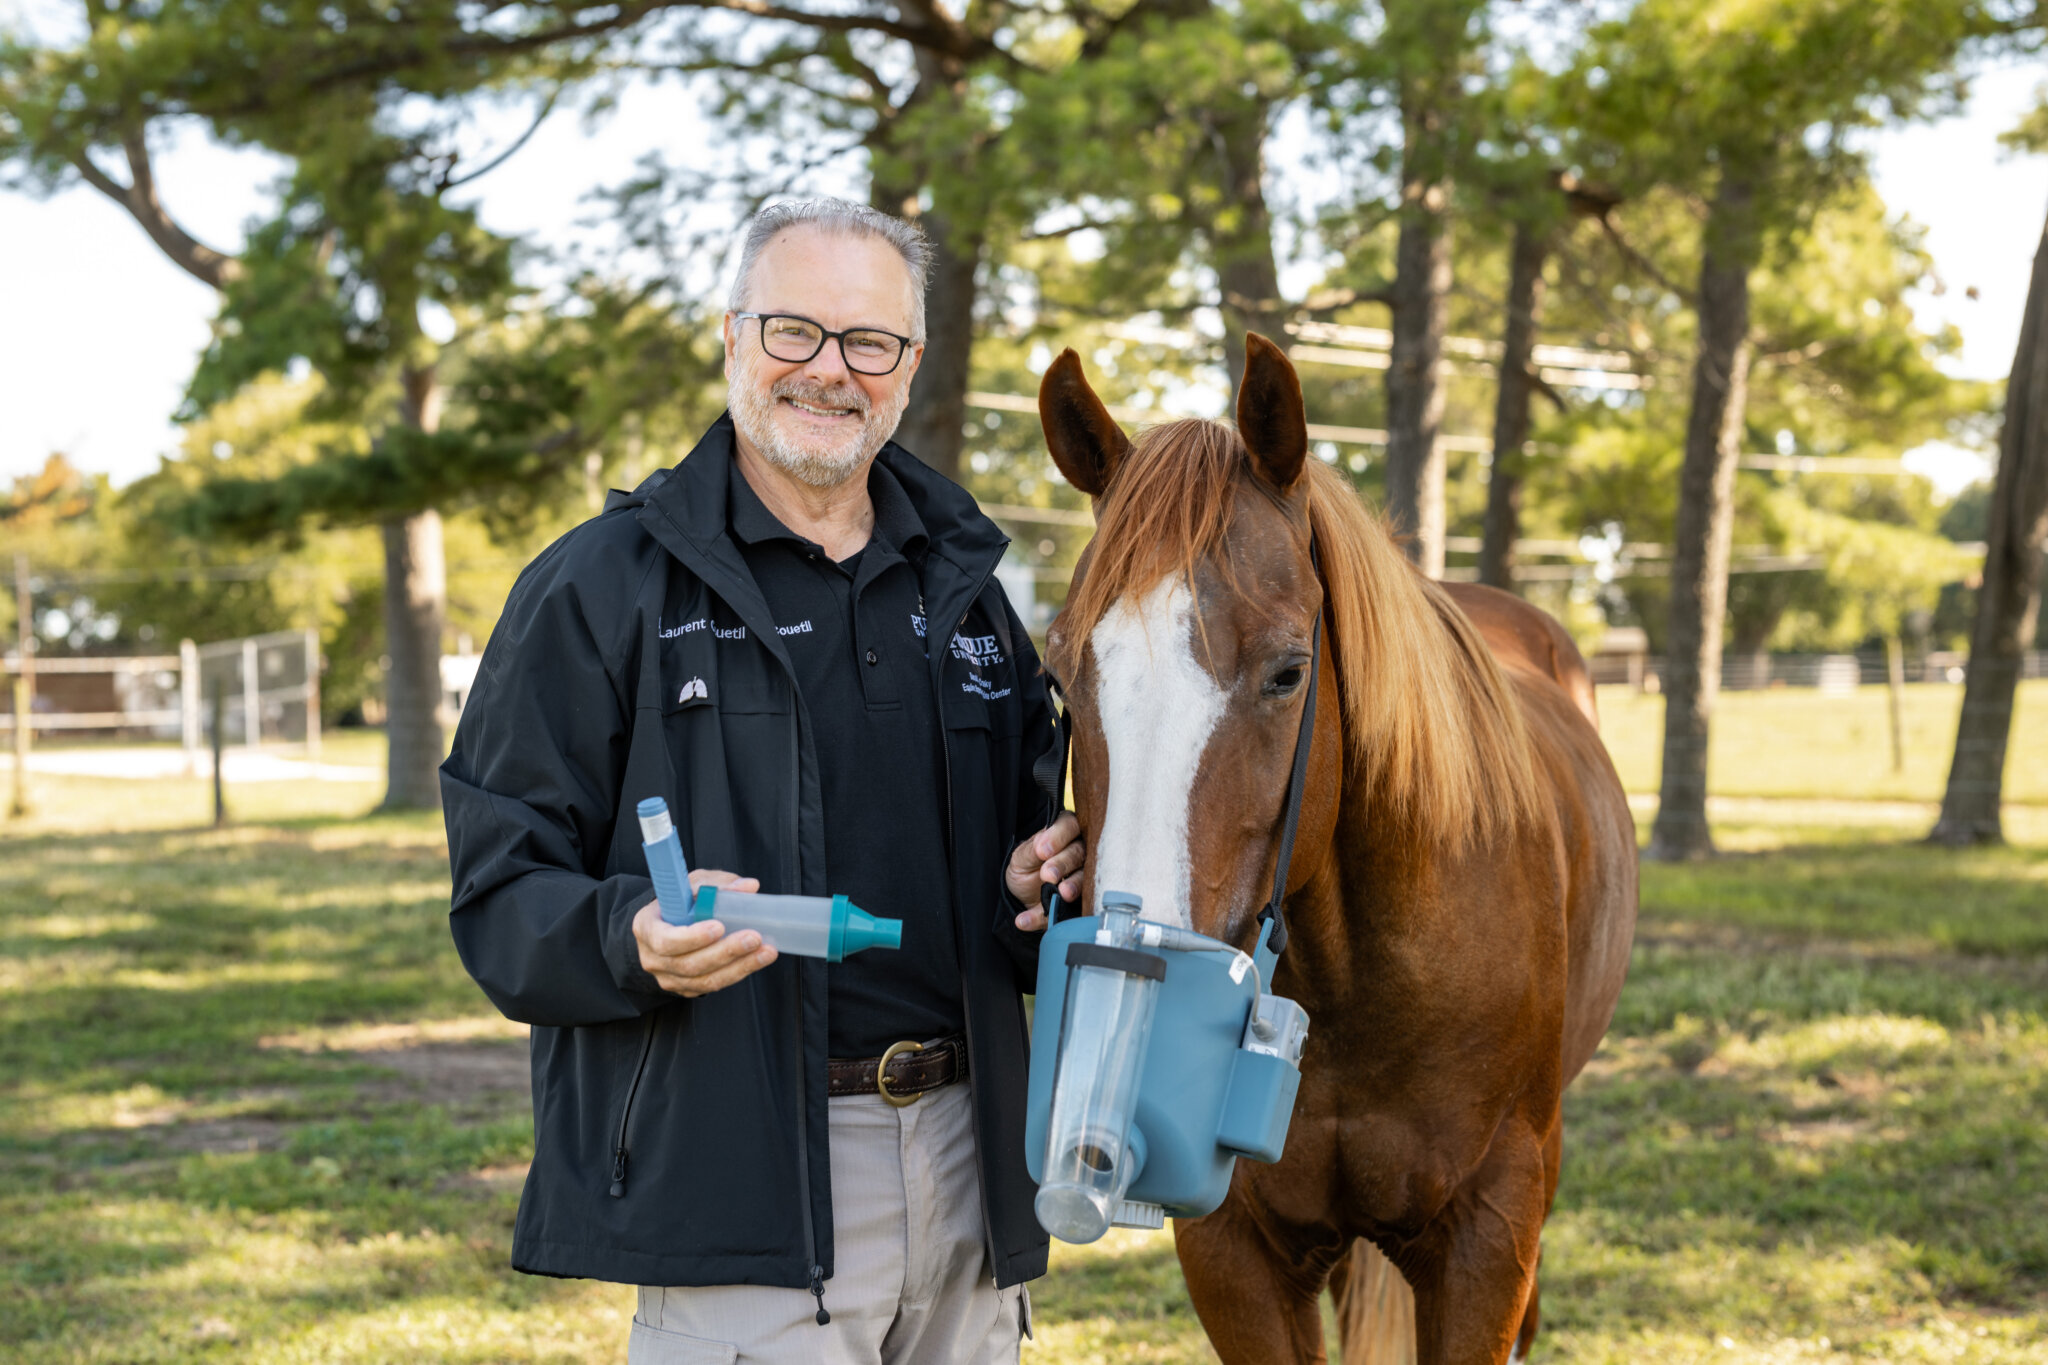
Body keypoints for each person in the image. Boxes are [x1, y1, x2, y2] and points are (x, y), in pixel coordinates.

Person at [441, 199, 1085, 1365]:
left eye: (866, 343)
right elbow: (499, 893)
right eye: (794, 331)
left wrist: (1055, 876)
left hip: (970, 1159)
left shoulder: (969, 591)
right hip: (739, 1180)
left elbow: (1030, 873)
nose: (828, 371)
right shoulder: (599, 587)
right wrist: (629, 934)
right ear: (731, 336)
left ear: (907, 369)